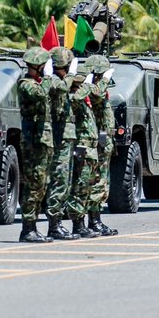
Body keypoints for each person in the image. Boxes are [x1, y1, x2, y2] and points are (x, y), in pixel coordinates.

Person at [16, 47, 54, 243]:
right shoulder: (26, 84)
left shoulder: (38, 83)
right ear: (38, 66)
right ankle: (27, 229)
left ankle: (33, 227)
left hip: (42, 141)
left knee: (42, 184)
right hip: (33, 142)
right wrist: (48, 77)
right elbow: (41, 93)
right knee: (34, 184)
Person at [45, 46, 79, 240]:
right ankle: (54, 225)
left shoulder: (57, 81)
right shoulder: (55, 82)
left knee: (64, 181)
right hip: (59, 137)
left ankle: (57, 223)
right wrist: (72, 74)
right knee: (59, 180)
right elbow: (62, 88)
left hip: (65, 137)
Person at [83, 55, 117, 236]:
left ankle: (96, 220)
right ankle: (93, 221)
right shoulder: (92, 89)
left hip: (104, 142)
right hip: (97, 143)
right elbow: (95, 94)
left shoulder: (99, 89)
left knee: (101, 183)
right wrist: (104, 79)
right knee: (97, 182)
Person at [66, 64, 100, 238]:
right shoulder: (73, 97)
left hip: (90, 149)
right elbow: (75, 99)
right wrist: (85, 86)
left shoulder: (85, 100)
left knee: (87, 187)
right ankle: (77, 224)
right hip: (81, 148)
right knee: (79, 187)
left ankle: (85, 222)